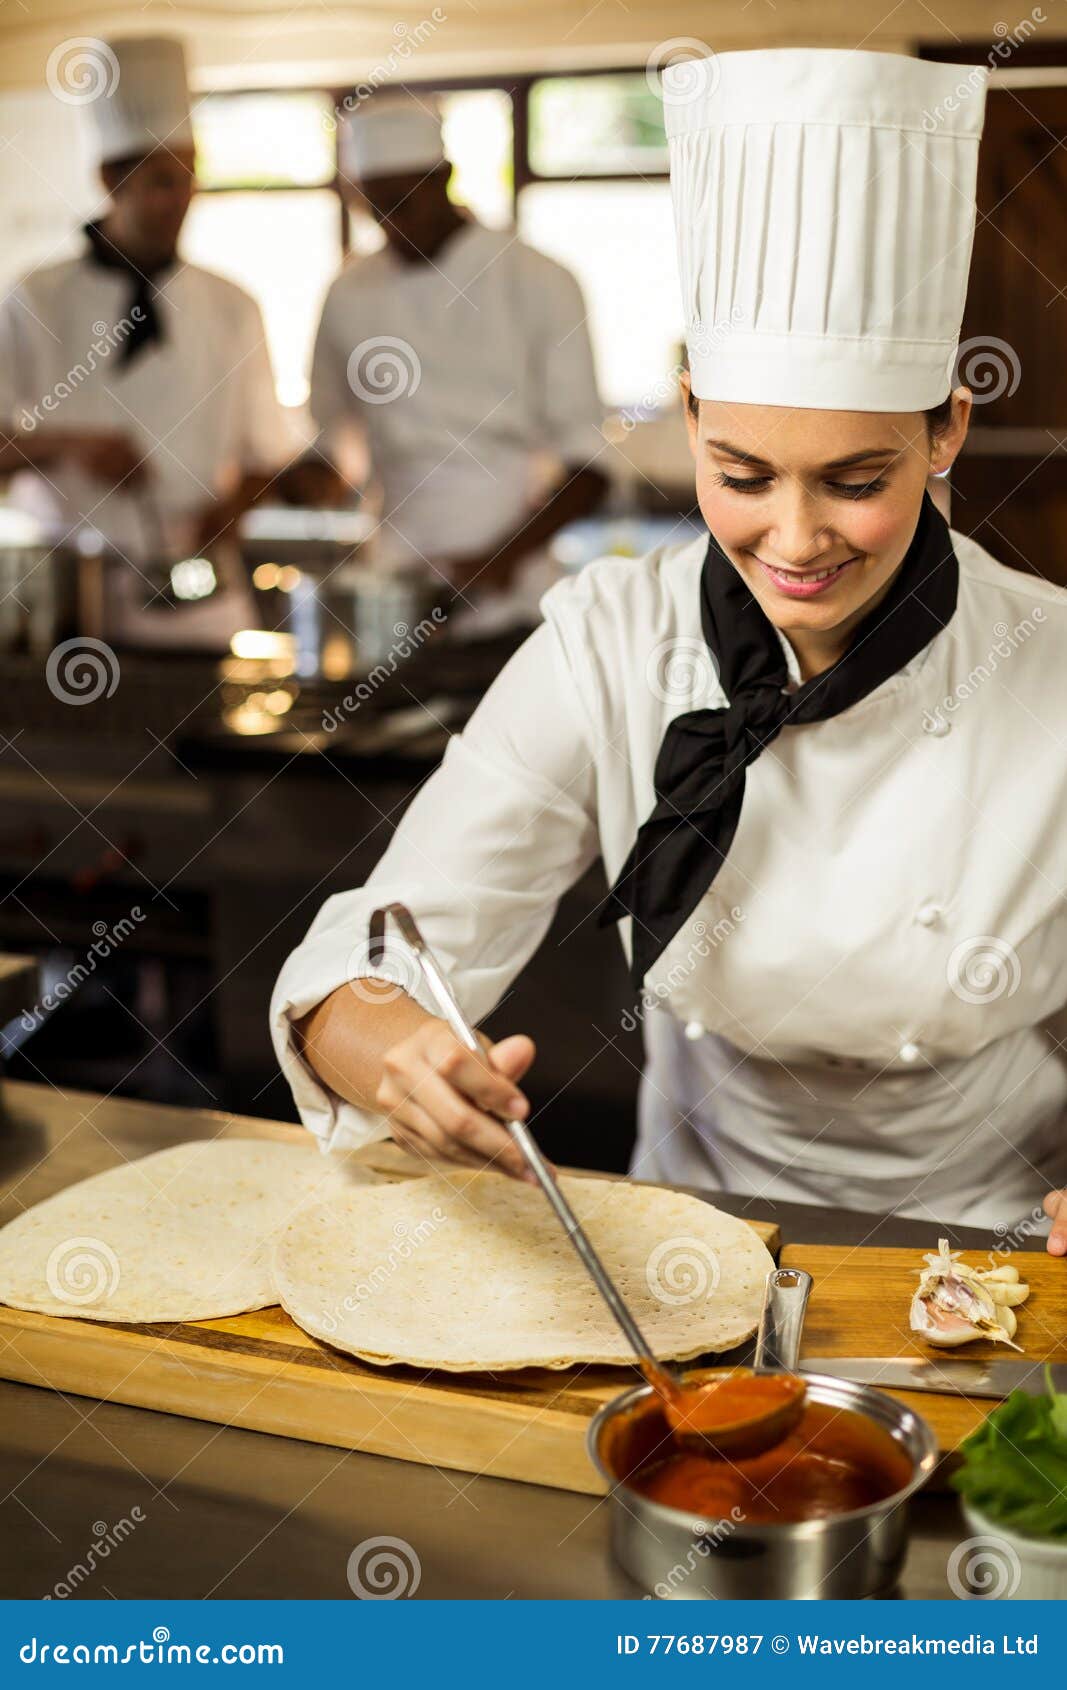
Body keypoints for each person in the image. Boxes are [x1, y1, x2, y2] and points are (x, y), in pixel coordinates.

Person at [271, 49, 1067, 1247]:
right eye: (739, 475)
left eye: (854, 482)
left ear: (945, 427)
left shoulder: (1047, 662)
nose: (792, 540)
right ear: (688, 415)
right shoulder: (609, 639)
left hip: (992, 1230)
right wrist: (400, 1054)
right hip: (697, 1228)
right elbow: (380, 947)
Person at [0, 36, 301, 648]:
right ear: (112, 178)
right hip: (67, 604)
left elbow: (266, 459)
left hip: (201, 610)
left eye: (190, 177)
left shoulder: (232, 305)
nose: (180, 199)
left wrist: (227, 514)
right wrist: (72, 445)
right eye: (163, 179)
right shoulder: (35, 297)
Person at [308, 93, 608, 624]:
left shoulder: (539, 280)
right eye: (376, 209)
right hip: (395, 584)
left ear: (442, 177)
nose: (392, 226)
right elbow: (329, 439)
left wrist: (496, 562)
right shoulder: (349, 292)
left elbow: (591, 469)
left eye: (403, 204)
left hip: (515, 594)